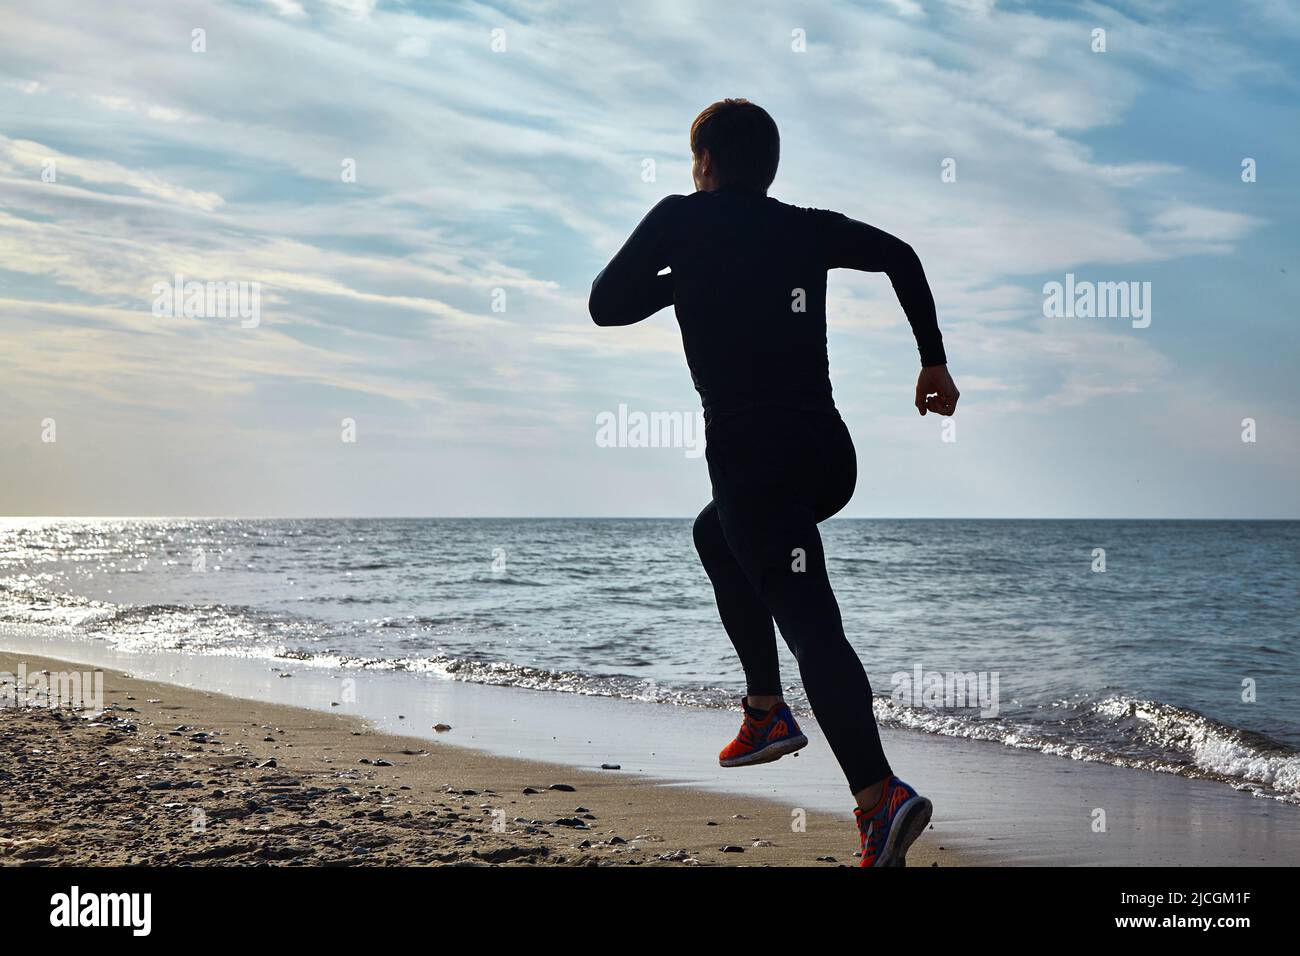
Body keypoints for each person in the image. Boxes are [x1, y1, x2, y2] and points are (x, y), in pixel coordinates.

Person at [589, 98, 959, 866]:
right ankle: (767, 710)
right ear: (770, 167)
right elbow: (901, 254)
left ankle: (877, 793)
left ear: (706, 164)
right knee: (715, 533)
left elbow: (605, 305)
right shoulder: (802, 225)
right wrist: (932, 360)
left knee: (810, 620)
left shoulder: (680, 218)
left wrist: (683, 273)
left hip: (751, 449)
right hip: (826, 454)